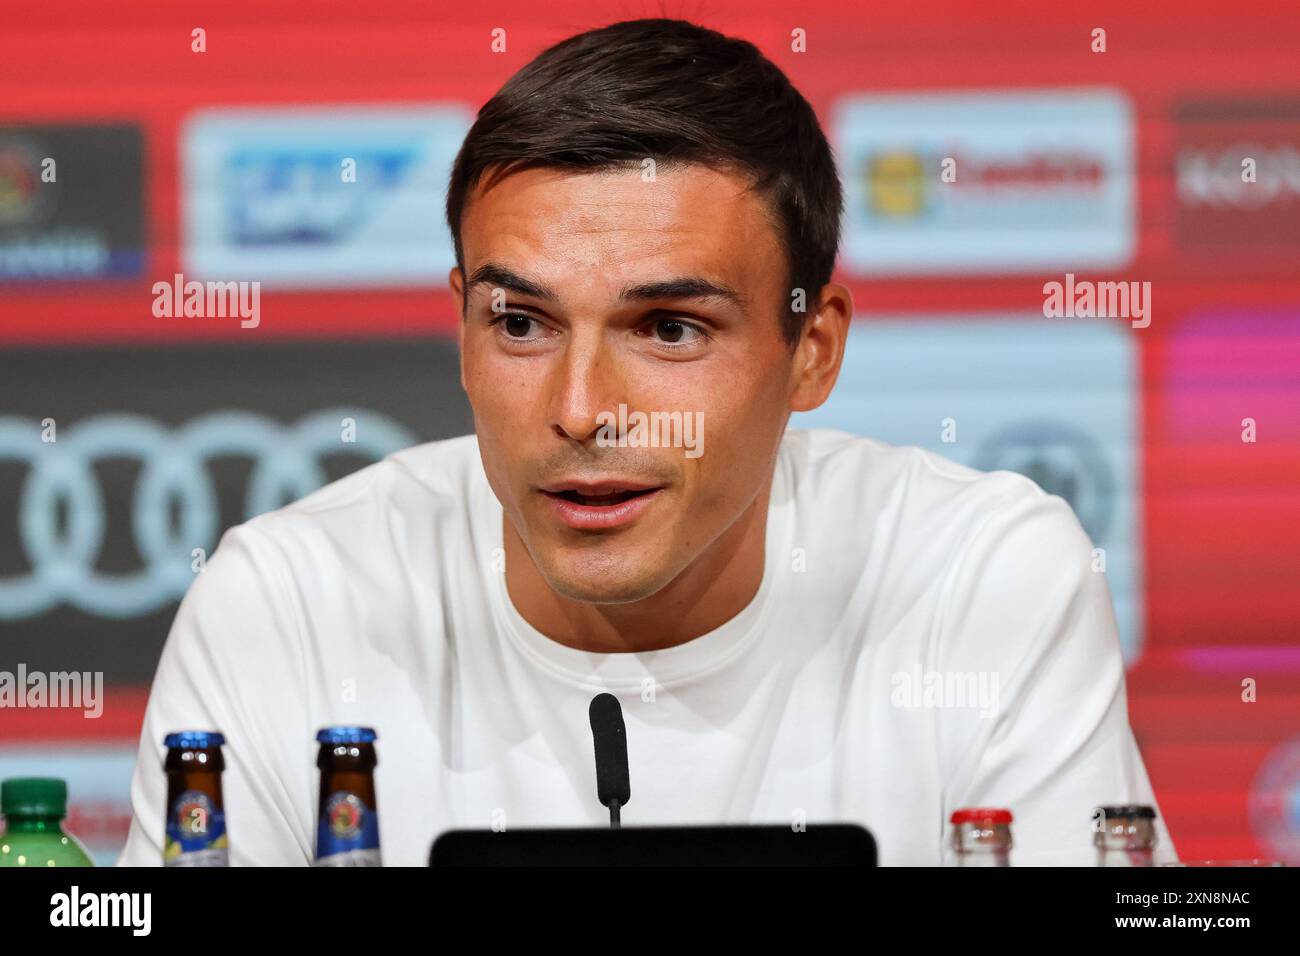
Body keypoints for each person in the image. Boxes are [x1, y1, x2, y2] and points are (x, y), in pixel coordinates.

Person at [119, 18, 1173, 866]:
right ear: (461, 326)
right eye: (521, 324)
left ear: (811, 346)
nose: (579, 408)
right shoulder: (291, 602)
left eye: (668, 328)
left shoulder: (980, 579)